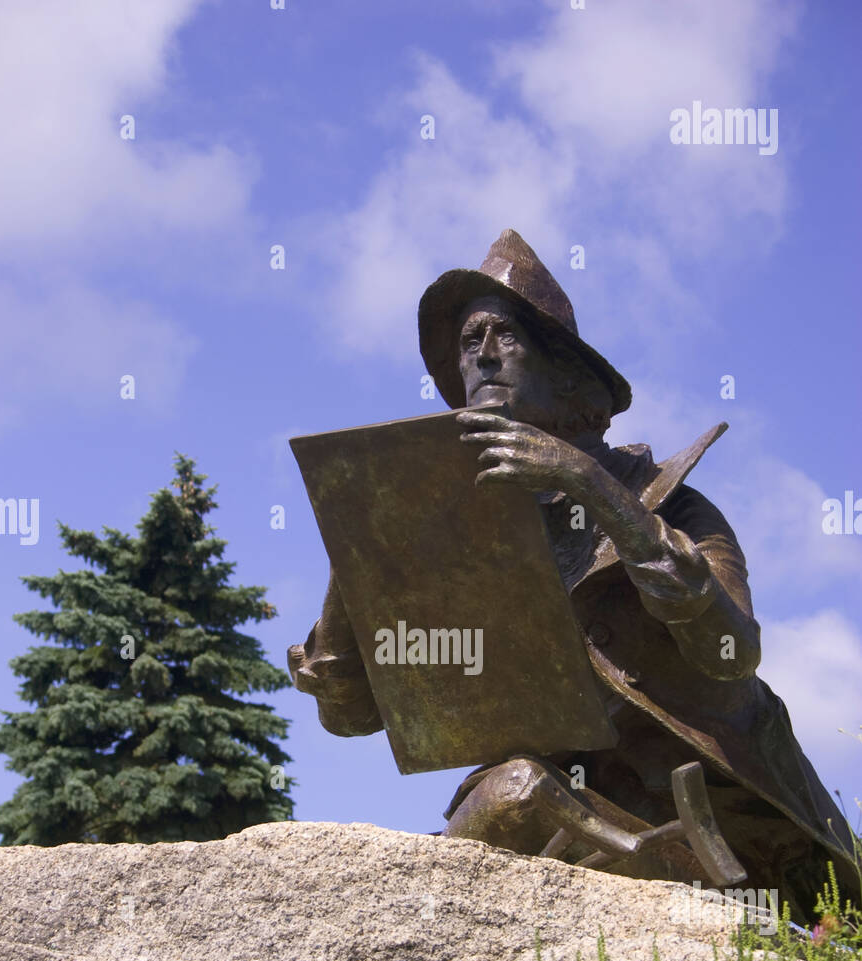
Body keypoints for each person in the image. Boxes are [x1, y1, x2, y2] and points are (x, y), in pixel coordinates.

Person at [289, 230, 857, 923]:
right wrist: (367, 527)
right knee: (509, 794)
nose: (484, 356)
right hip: (557, 814)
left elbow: (730, 651)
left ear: (566, 376)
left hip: (739, 839)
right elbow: (346, 715)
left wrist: (587, 483)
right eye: (469, 343)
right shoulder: (456, 538)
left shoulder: (667, 502)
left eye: (506, 336)